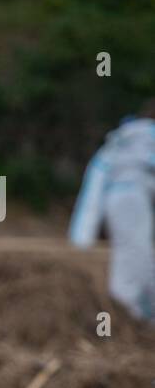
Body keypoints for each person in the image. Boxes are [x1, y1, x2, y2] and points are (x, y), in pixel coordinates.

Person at [69, 105, 155, 321]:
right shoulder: (144, 141)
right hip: (132, 199)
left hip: (119, 198)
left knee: (136, 254)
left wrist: (82, 236)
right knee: (134, 256)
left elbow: (93, 189)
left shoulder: (120, 141)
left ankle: (133, 314)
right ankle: (127, 316)